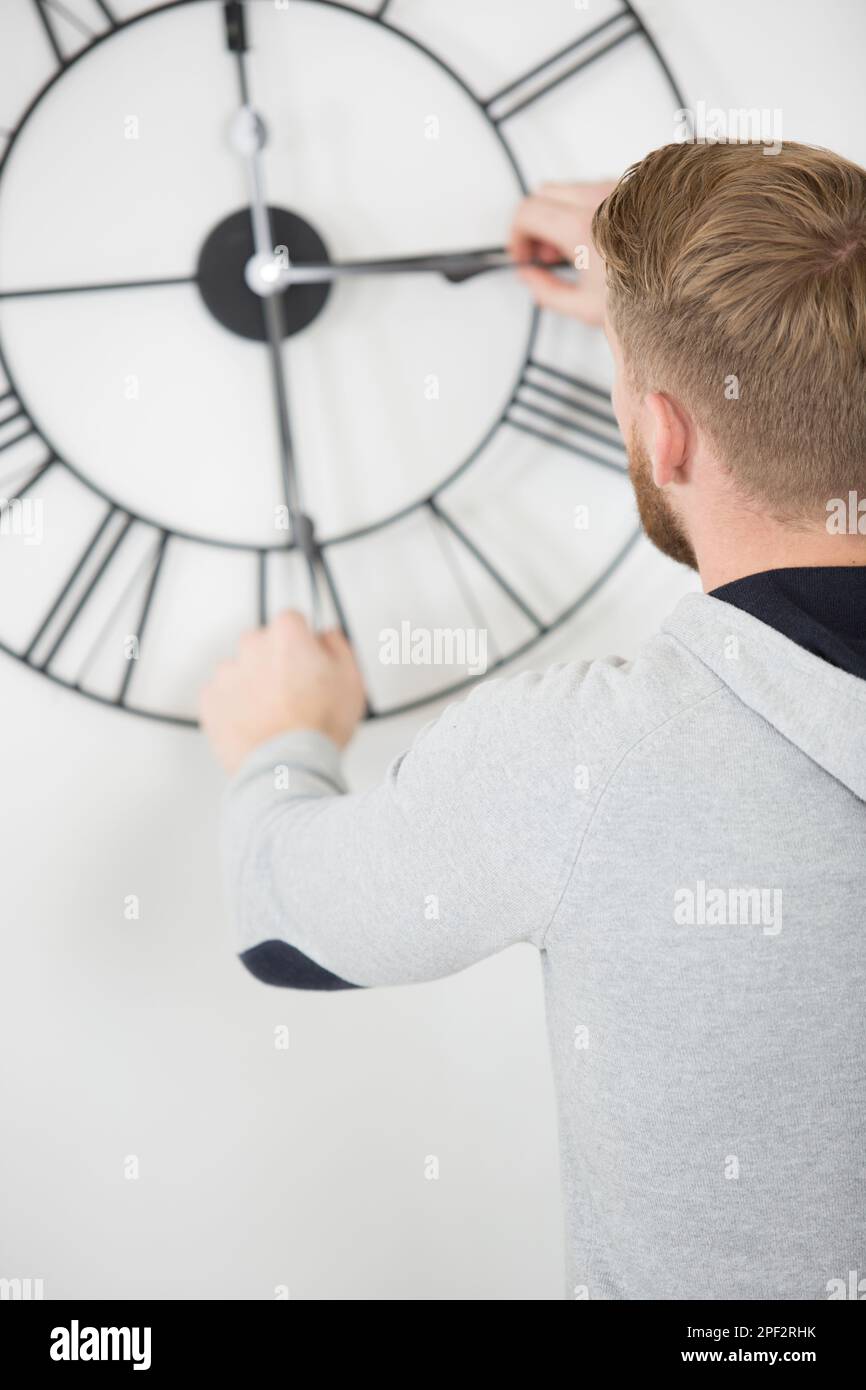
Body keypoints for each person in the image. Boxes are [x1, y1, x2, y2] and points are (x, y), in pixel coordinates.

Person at [200, 141, 866, 1300]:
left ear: (663, 434)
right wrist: (696, 277)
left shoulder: (583, 759)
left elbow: (283, 917)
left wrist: (283, 739)